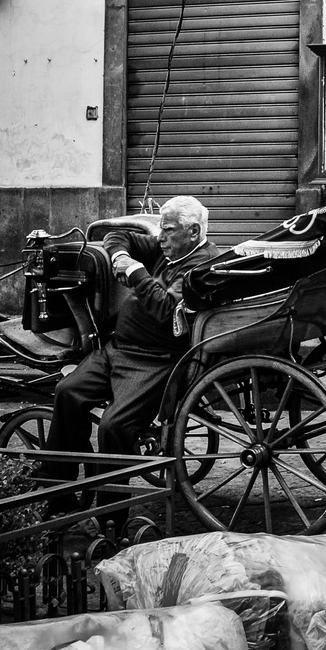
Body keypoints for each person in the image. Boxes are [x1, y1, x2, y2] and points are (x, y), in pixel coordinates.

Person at [42, 195, 220, 536]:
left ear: (194, 231)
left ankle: (112, 512)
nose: (161, 238)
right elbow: (115, 235)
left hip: (155, 361)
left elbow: (170, 315)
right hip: (116, 350)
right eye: (161, 231)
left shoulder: (201, 267)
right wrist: (122, 255)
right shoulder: (166, 248)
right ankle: (59, 493)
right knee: (67, 393)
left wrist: (137, 273)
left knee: (114, 426)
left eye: (168, 231)